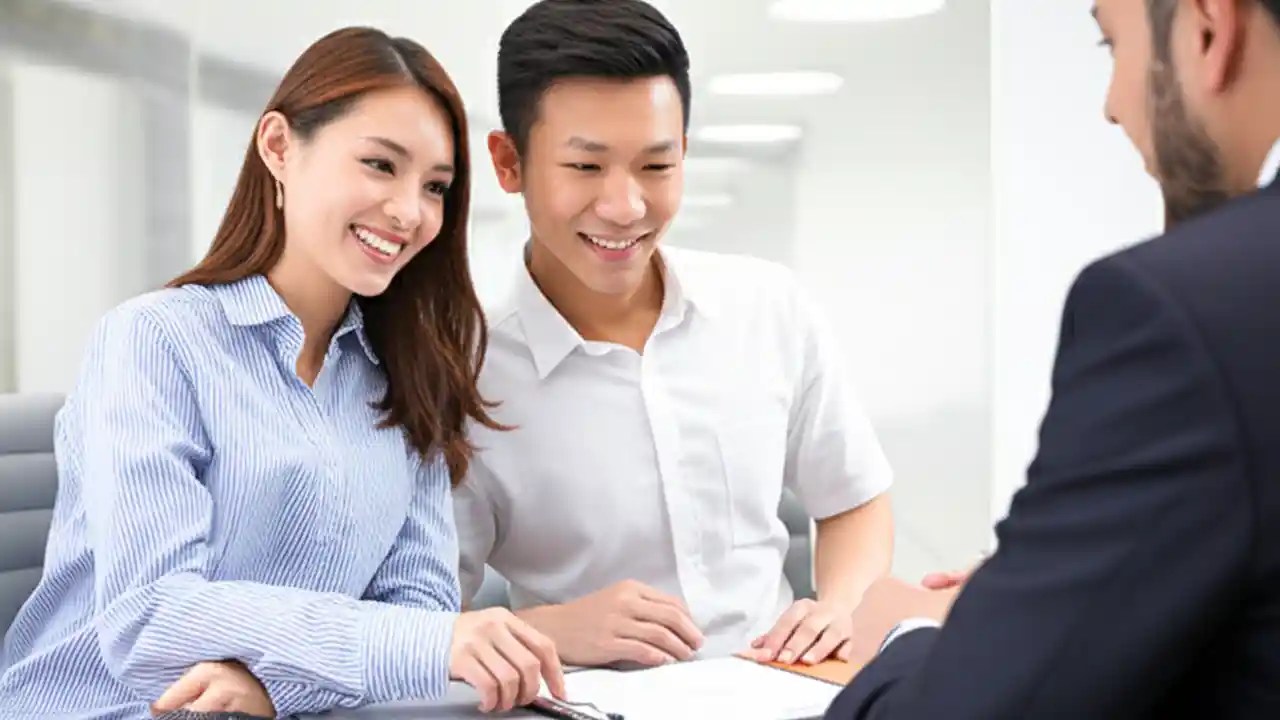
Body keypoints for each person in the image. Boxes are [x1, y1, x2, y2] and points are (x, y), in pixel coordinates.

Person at [0, 27, 564, 719]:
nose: (411, 212)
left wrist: (275, 688)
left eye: (436, 186)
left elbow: (418, 605)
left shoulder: (406, 374)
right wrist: (395, 651)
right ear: (278, 148)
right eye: (380, 165)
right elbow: (151, 616)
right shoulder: (154, 341)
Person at [826, 0, 1280, 717]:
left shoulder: (1182, 307)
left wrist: (908, 634)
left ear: (1207, 29)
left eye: (1113, 45)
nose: (1110, 105)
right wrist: (1052, 590)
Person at [454, 0, 895, 670]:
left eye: (656, 167)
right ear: (509, 163)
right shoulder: (462, 372)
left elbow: (854, 499)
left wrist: (838, 605)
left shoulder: (768, 306)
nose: (625, 206)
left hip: (784, 696)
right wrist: (551, 629)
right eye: (585, 167)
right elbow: (421, 621)